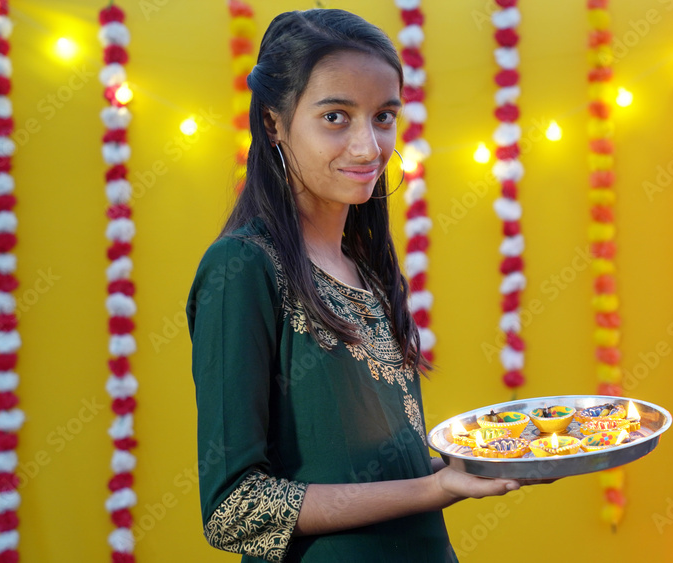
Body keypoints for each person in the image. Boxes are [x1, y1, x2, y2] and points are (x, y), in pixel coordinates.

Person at [186, 9, 520, 562]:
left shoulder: (368, 270)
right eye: (336, 117)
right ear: (273, 122)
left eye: (384, 117)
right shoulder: (242, 268)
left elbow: (371, 472)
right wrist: (433, 489)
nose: (368, 147)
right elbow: (234, 511)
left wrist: (475, 465)